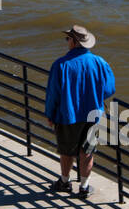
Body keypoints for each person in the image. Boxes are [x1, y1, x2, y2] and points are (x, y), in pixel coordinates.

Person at [44, 24, 115, 199]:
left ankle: (64, 181)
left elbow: (53, 94)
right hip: (93, 114)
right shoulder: (100, 62)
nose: (66, 41)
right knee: (88, 151)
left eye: (68, 39)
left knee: (66, 151)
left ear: (74, 42)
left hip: (68, 115)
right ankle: (84, 186)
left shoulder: (61, 65)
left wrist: (50, 114)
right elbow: (109, 89)